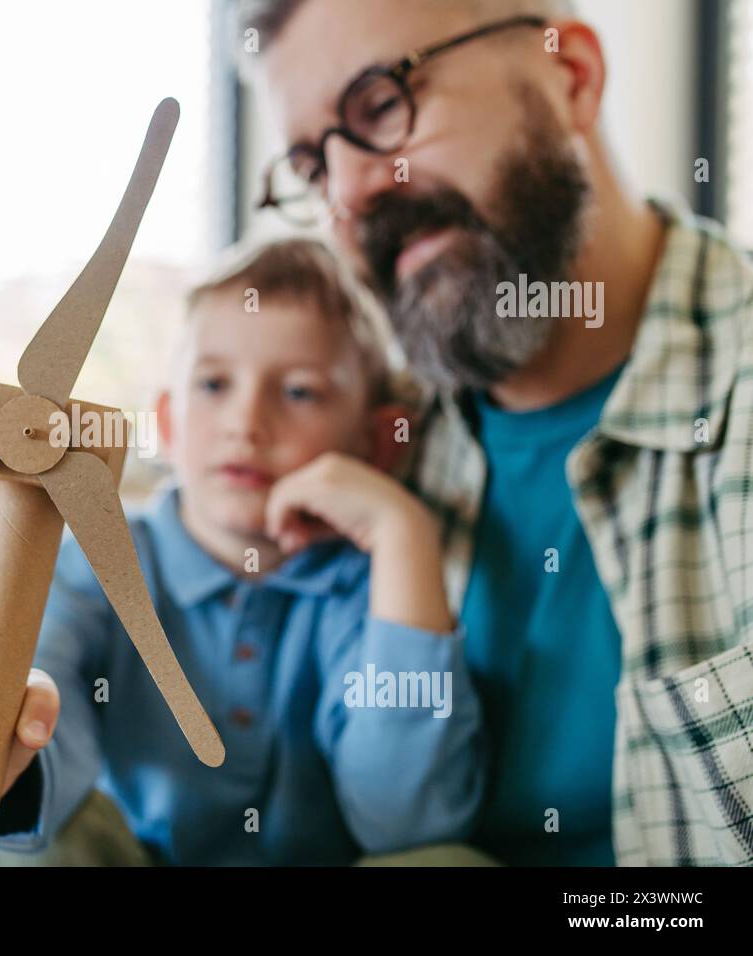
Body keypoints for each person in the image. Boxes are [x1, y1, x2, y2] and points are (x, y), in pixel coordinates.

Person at [240, 0, 753, 865]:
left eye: (381, 104)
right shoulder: (359, 440)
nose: (354, 191)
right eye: (310, 164)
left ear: (572, 78)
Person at [0, 238, 486, 865]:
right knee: (43, 843)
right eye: (213, 384)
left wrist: (405, 537)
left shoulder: (373, 592)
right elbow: (44, 713)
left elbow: (408, 822)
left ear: (378, 444)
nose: (246, 422)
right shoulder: (94, 564)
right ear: (170, 423)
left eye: (299, 392)